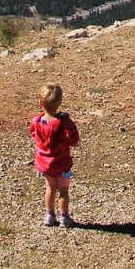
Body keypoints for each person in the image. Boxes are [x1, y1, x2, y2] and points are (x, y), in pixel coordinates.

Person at [29, 83, 81, 227]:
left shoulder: (37, 122)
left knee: (50, 188)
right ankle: (64, 217)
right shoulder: (63, 125)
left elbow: (33, 133)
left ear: (40, 103)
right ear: (60, 102)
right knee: (63, 191)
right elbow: (73, 140)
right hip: (62, 163)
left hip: (45, 164)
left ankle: (49, 215)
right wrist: (68, 122)